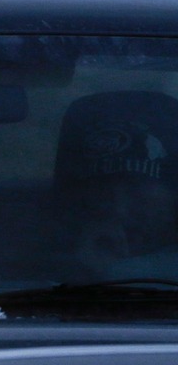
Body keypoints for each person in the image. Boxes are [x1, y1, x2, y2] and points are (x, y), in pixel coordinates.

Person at [54, 90, 178, 278]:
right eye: (102, 192)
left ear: (174, 193)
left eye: (136, 190)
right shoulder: (35, 268)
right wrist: (83, 271)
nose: (119, 209)